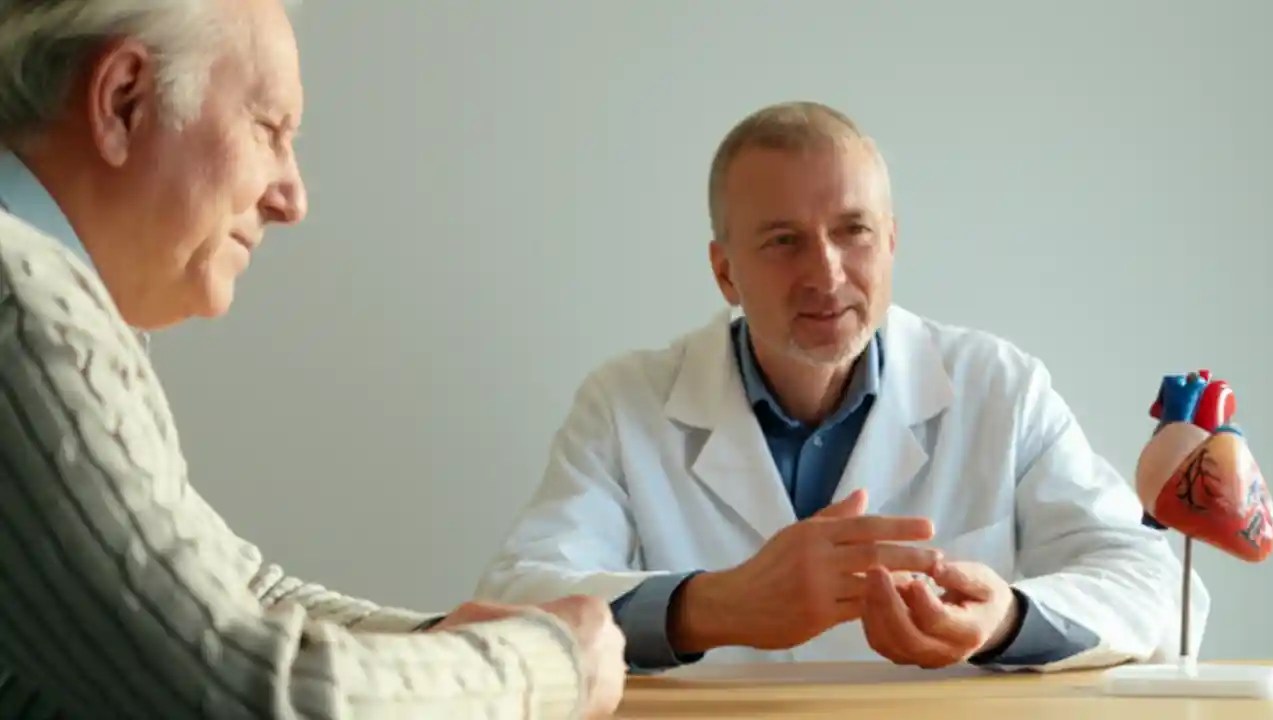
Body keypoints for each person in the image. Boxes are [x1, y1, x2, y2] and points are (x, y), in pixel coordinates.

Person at [0, 1, 624, 717]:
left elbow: (241, 594)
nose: (292, 198)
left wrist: (445, 646)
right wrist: (549, 666)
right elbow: (249, 691)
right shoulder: (21, 303)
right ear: (124, 101)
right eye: (269, 129)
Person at [475, 101, 1209, 673]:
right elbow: (513, 599)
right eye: (783, 240)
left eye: (852, 231)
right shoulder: (625, 403)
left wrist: (1006, 621)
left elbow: (1158, 589)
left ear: (890, 242)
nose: (826, 274)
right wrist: (714, 607)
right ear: (725, 270)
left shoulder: (999, 388)